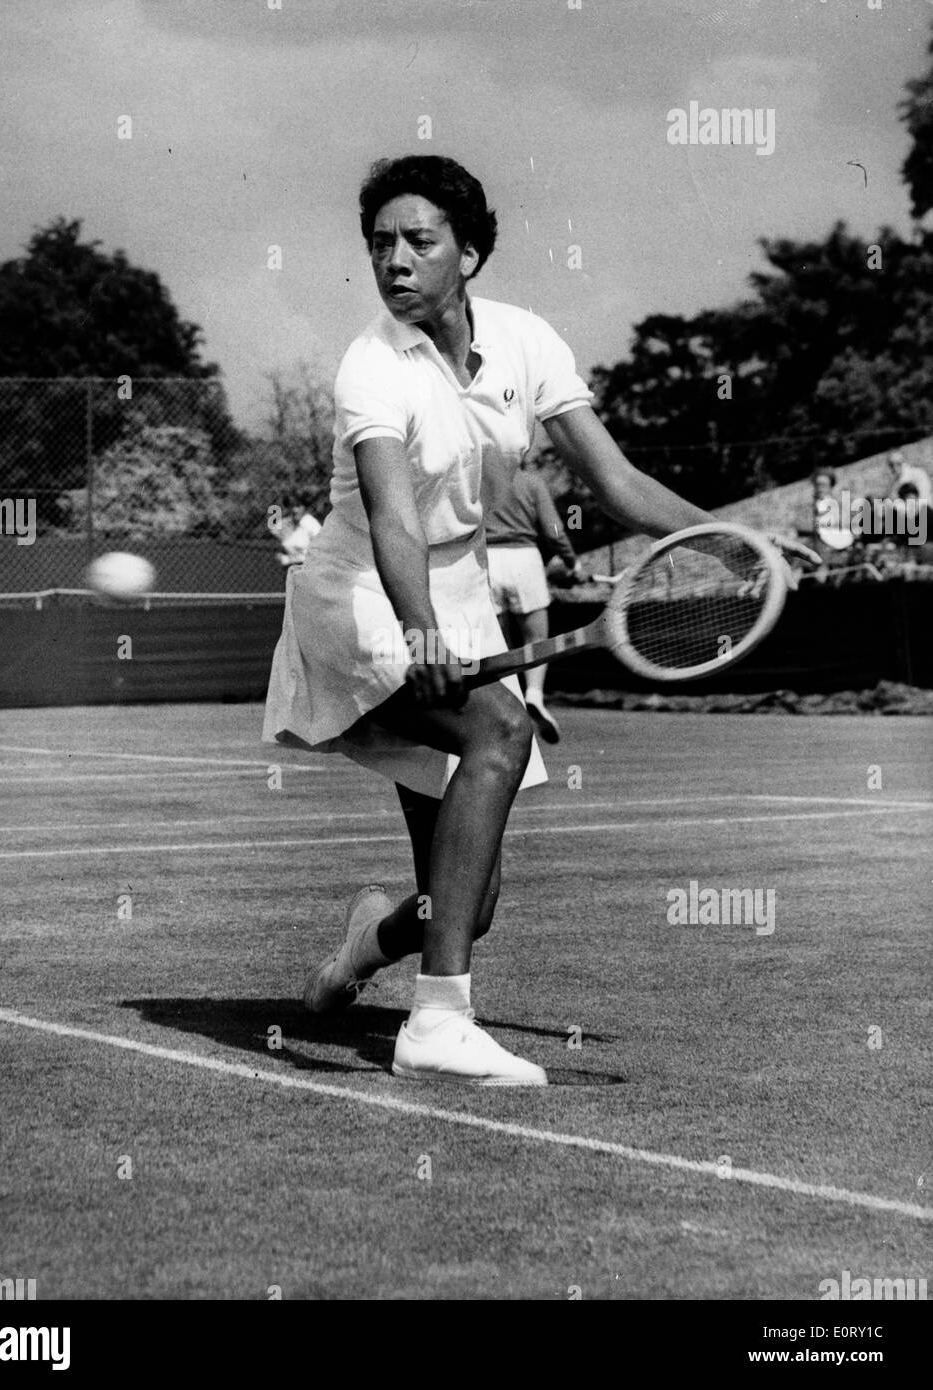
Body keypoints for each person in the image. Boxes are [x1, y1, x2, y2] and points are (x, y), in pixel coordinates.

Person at [262, 154, 774, 1085]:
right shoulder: (370, 364)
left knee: (469, 896)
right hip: (357, 594)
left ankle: (364, 947)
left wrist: (730, 538)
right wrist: (420, 633)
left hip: (455, 597)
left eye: (419, 241)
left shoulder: (527, 343)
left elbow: (614, 482)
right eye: (381, 244)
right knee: (497, 728)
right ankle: (437, 1021)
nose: (396, 262)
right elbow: (392, 520)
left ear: (472, 253)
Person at [485, 459, 582, 743]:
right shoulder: (531, 481)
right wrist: (571, 563)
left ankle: (508, 702)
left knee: (499, 646)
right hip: (525, 559)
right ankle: (534, 695)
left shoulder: (473, 477)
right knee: (537, 640)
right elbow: (554, 530)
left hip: (486, 560)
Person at [272, 492, 322, 567]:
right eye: (291, 506)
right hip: (290, 570)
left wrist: (289, 560)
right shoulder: (283, 524)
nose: (294, 510)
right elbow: (277, 549)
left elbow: (321, 553)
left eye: (298, 506)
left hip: (310, 568)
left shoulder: (312, 524)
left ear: (304, 507)